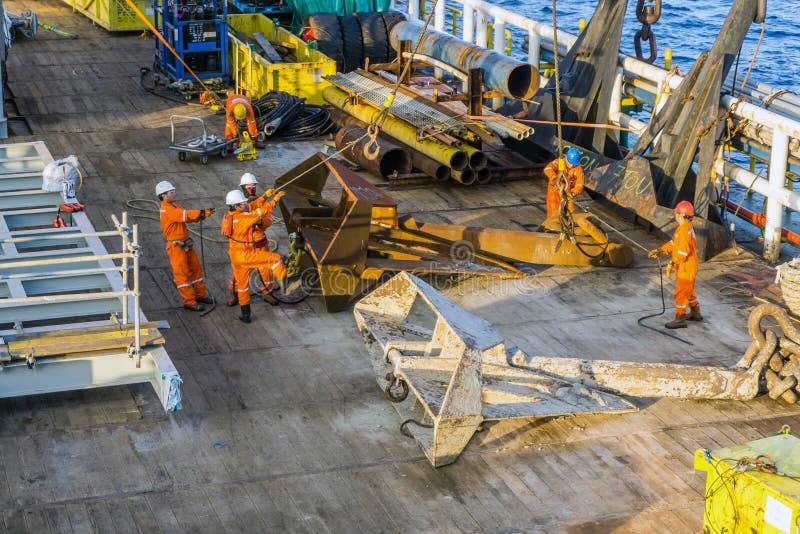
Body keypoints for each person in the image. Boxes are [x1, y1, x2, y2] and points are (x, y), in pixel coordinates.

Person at [223, 188, 287, 323]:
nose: (246, 204)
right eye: (243, 203)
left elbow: (254, 206)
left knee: (243, 286)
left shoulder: (230, 217)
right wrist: (274, 200)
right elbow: (261, 211)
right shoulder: (243, 219)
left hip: (236, 255)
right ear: (236, 206)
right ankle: (283, 280)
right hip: (246, 254)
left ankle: (245, 315)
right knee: (274, 259)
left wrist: (265, 196)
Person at [157, 180, 215, 311]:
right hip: (176, 247)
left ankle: (200, 295)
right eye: (171, 192)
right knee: (182, 274)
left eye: (174, 191)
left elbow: (187, 217)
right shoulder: (166, 209)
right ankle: (189, 301)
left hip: (185, 243)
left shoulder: (175, 206)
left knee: (195, 269)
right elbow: (183, 215)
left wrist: (201, 215)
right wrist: (200, 213)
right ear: (163, 195)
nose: (174, 194)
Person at [224, 173, 280, 307]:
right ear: (242, 188)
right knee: (239, 273)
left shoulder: (258, 203)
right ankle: (234, 293)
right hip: (244, 247)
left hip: (259, 243)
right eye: (249, 186)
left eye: (253, 186)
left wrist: (260, 222)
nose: (252, 189)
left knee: (265, 269)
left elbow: (268, 220)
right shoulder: (237, 205)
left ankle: (267, 293)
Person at [649, 200, 702, 329]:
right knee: (688, 290)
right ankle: (695, 313)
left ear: (681, 215)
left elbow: (683, 252)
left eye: (677, 213)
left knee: (681, 292)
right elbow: (674, 244)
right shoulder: (684, 228)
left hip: (686, 265)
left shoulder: (684, 231)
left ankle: (679, 318)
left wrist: (673, 262)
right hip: (687, 265)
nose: (675, 215)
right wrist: (661, 250)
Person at [543, 147, 585, 219]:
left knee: (569, 212)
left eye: (573, 164)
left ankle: (566, 227)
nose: (572, 166)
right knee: (553, 212)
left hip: (567, 193)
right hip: (554, 191)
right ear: (566, 158)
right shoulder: (560, 162)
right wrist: (555, 178)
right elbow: (547, 169)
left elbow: (579, 185)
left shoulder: (578, 169)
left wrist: (573, 193)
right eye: (570, 163)